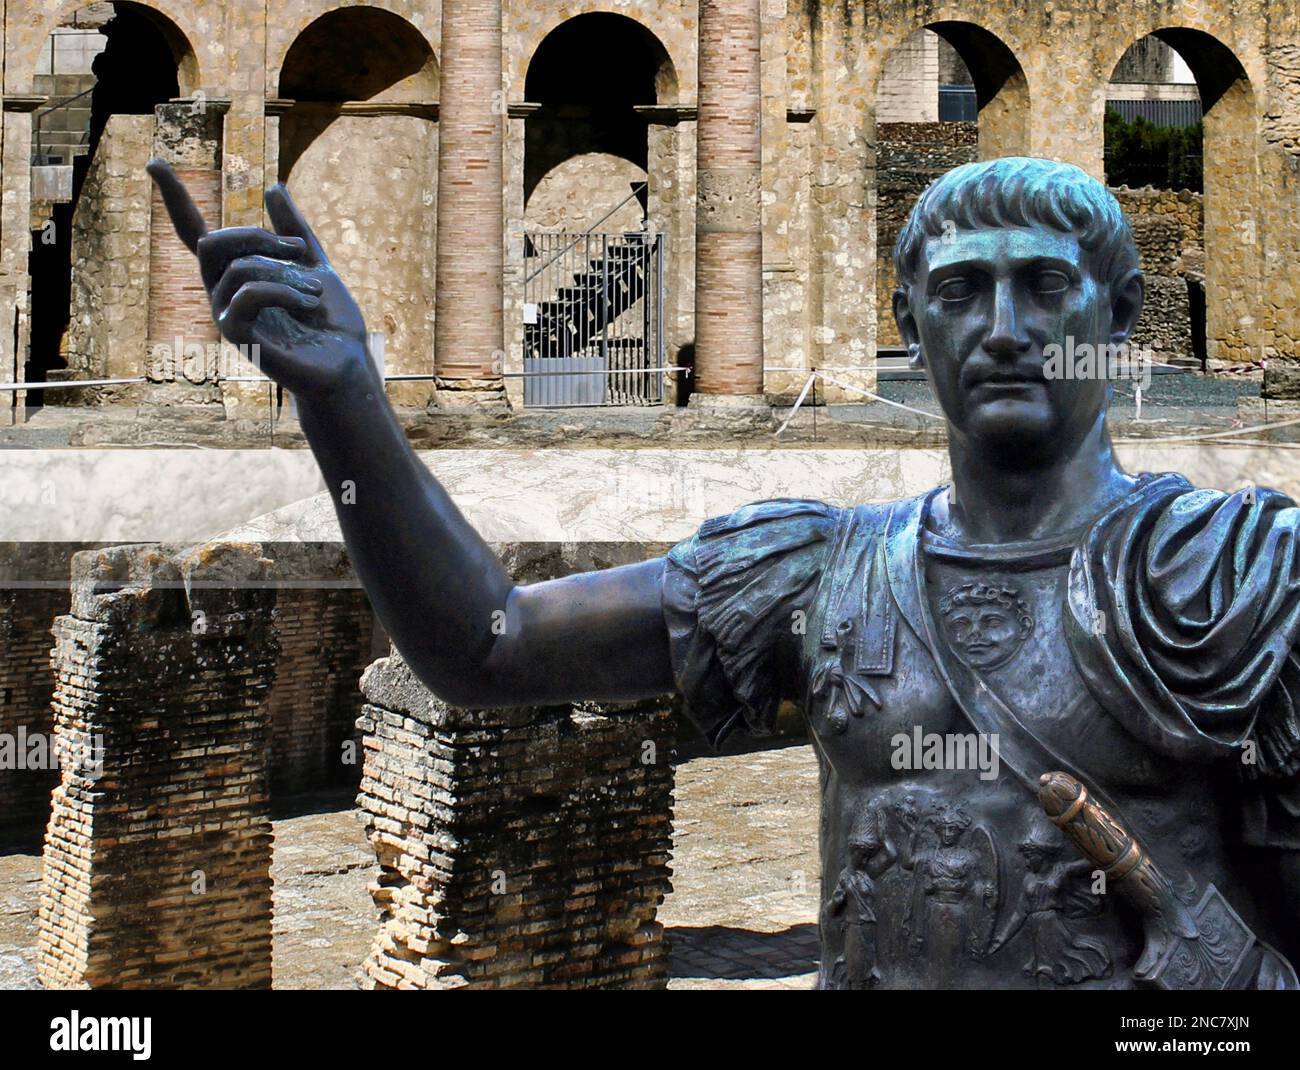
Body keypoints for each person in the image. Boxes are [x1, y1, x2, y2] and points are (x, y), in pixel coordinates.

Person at [147, 154, 1299, 989]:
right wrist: (347, 403)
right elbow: (483, 644)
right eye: (959, 291)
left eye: (1045, 288)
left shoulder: (1235, 575)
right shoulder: (819, 573)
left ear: (1122, 314)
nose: (1002, 326)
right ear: (909, 320)